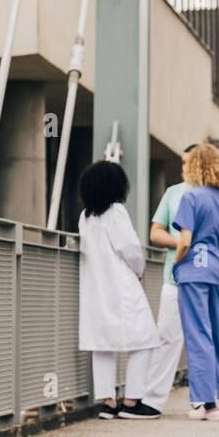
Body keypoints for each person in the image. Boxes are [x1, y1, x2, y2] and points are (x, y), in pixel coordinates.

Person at [147, 146, 219, 417]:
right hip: (217, 272)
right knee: (218, 334)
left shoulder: (190, 197)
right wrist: (218, 258)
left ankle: (206, 403)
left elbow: (185, 241)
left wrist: (180, 261)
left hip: (193, 272)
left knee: (197, 335)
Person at [77, 160, 161, 420]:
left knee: (102, 345)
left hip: (95, 288)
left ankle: (108, 403)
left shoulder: (86, 216)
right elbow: (131, 250)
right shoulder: (115, 212)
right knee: (145, 340)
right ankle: (132, 402)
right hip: (121, 285)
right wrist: (138, 271)